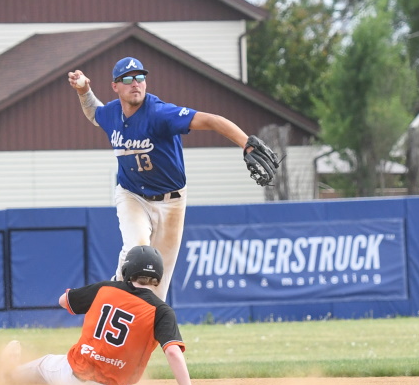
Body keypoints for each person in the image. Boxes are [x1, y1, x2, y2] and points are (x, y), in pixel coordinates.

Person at [68, 56, 275, 300]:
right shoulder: (113, 113)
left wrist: (246, 144)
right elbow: (95, 113)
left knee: (158, 279)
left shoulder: (160, 113)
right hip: (132, 195)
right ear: (115, 86)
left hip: (172, 201)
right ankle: (113, 296)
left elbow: (211, 120)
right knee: (137, 251)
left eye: (140, 77)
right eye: (127, 79)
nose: (135, 83)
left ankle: (140, 315)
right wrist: (83, 90)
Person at [3, 245, 206, 385]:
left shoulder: (106, 289)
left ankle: (10, 377)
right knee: (114, 383)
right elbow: (173, 353)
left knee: (46, 364)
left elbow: (63, 301)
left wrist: (104, 290)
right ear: (158, 277)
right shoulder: (162, 310)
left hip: (75, 380)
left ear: (127, 270)